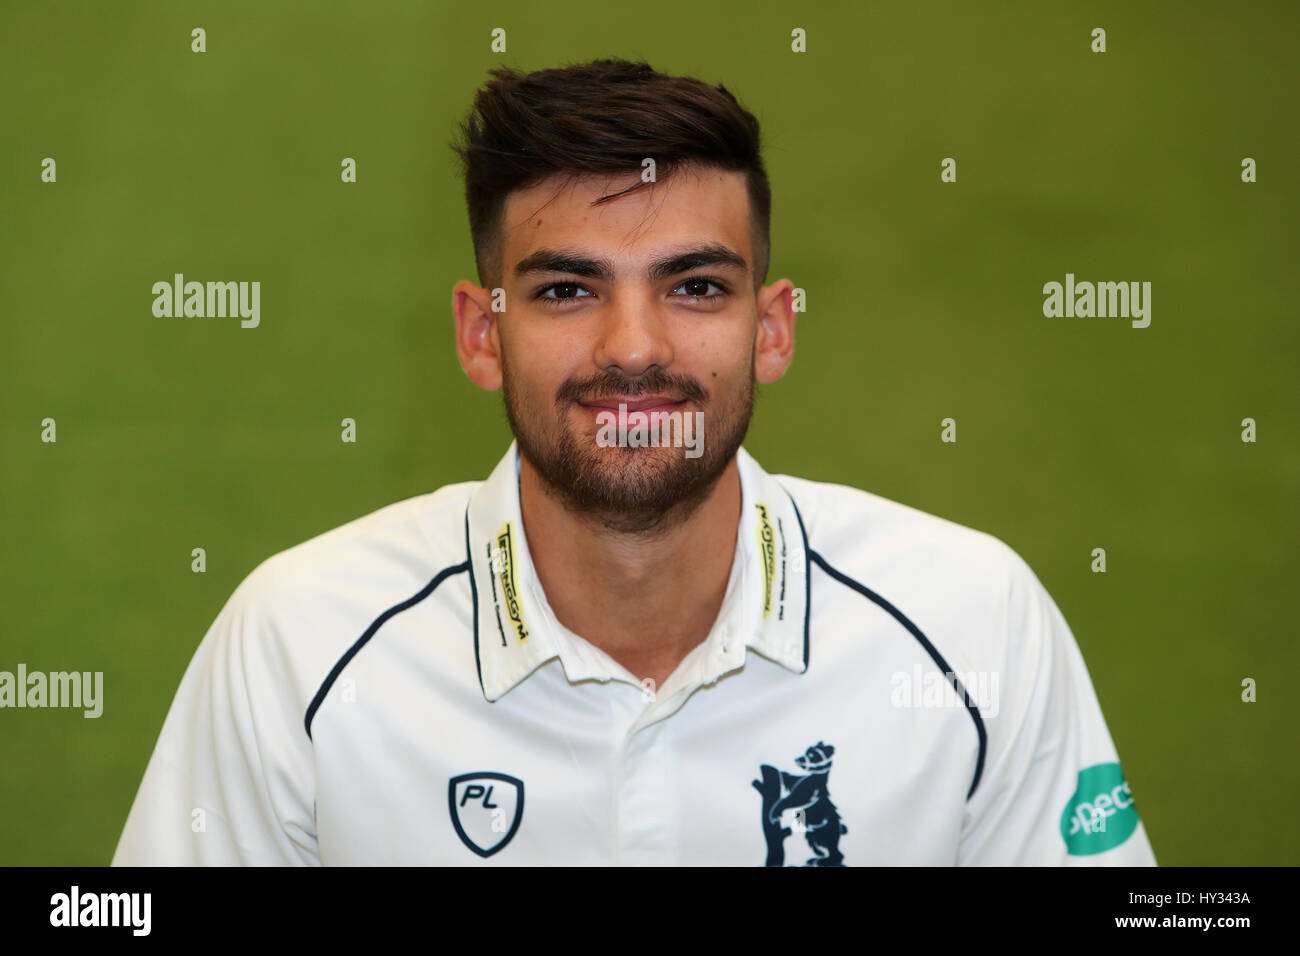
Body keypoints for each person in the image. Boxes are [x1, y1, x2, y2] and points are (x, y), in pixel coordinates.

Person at [113, 58, 1156, 866]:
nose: (633, 349)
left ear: (774, 328)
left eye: (694, 286)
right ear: (482, 334)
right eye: (568, 289)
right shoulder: (298, 644)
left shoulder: (975, 624)